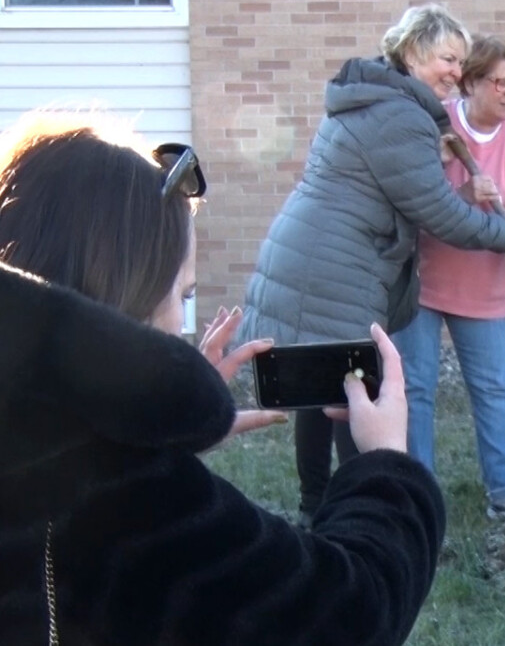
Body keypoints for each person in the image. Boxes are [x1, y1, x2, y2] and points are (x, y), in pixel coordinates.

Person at [0, 115, 443, 644]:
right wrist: (383, 466)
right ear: (132, 295)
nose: (179, 328)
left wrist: (149, 421)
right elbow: (351, 613)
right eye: (182, 297)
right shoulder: (142, 500)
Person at [238, 4, 505, 525]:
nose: (457, 72)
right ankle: (361, 517)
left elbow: (402, 191)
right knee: (351, 393)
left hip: (311, 255)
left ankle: (316, 509)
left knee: (319, 392)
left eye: (461, 62)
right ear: (412, 51)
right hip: (335, 267)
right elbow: (436, 213)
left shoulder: (371, 100)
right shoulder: (400, 115)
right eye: (448, 58)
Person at [393, 36, 505, 520]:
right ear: (472, 80)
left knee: (492, 387)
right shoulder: (436, 125)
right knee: (416, 388)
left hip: (485, 283)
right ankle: (416, 492)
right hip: (423, 279)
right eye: (501, 82)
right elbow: (415, 198)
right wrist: (463, 194)